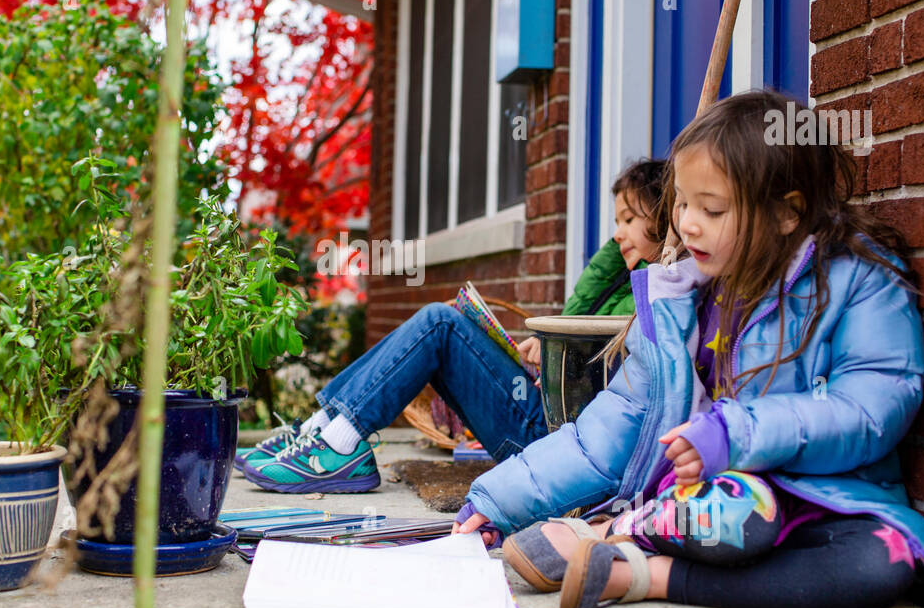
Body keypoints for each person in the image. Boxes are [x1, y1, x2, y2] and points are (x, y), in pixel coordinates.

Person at [455, 89, 924, 608]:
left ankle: (638, 567)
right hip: (713, 501)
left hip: (830, 501)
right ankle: (626, 530)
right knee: (737, 517)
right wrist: (497, 500)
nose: (687, 223)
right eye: (683, 203)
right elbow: (609, 432)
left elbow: (870, 410)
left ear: (787, 213)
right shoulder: (682, 302)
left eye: (711, 209)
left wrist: (738, 432)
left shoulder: (859, 282)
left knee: (881, 567)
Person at [236, 159, 666, 493]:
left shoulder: (656, 290)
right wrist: (616, 254)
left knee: (438, 324)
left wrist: (558, 350)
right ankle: (323, 429)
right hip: (546, 419)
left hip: (553, 438)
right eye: (615, 222)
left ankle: (338, 444)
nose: (618, 234)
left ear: (662, 219)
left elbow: (599, 359)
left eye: (628, 220)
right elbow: (574, 313)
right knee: (444, 320)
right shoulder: (623, 277)